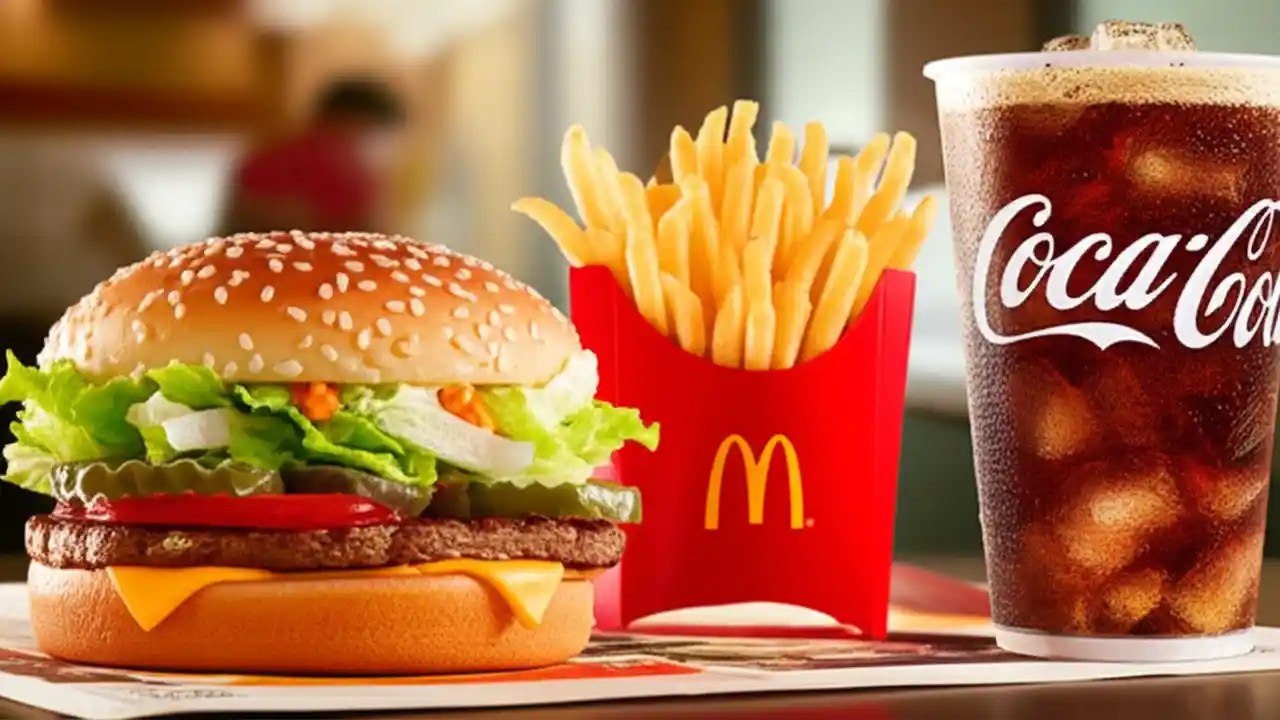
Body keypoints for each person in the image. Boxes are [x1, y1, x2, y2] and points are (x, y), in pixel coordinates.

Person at [220, 76, 406, 235]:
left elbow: (234, 222)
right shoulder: (347, 172)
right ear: (354, 121)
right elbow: (374, 233)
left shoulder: (264, 155)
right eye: (374, 133)